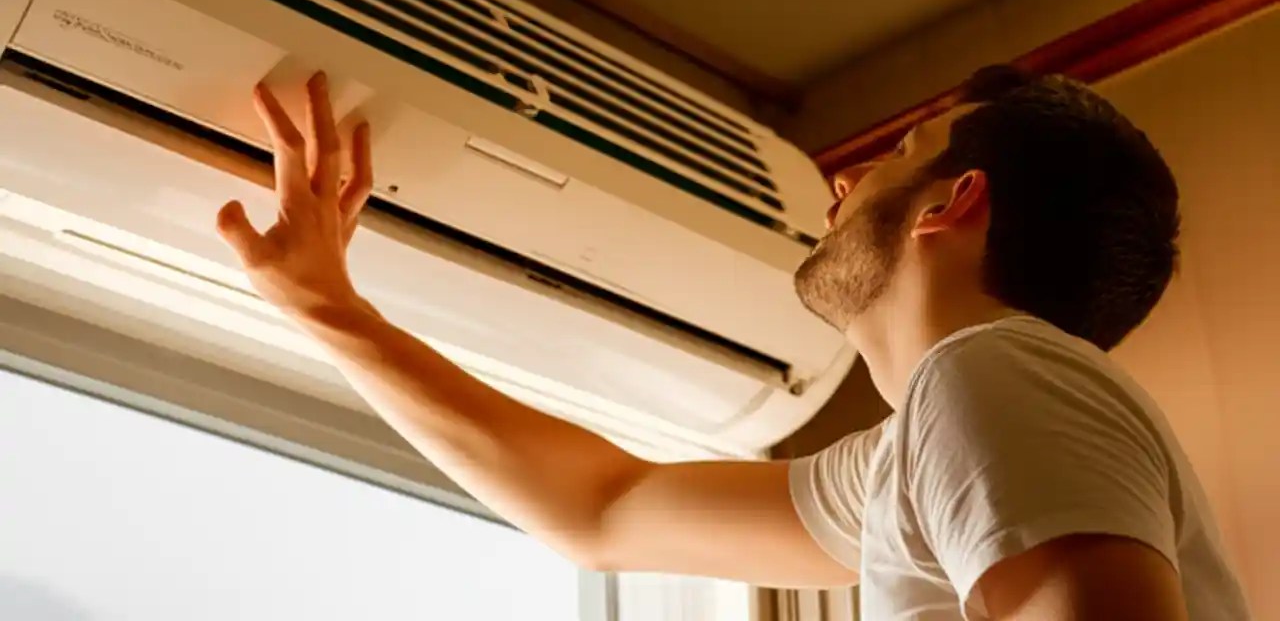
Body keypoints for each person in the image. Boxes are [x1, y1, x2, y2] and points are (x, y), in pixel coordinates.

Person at [215, 66, 1251, 620]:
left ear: (952, 203)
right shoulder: (924, 447)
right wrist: (325, 305)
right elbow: (604, 510)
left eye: (898, 152)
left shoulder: (989, 374)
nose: (846, 182)